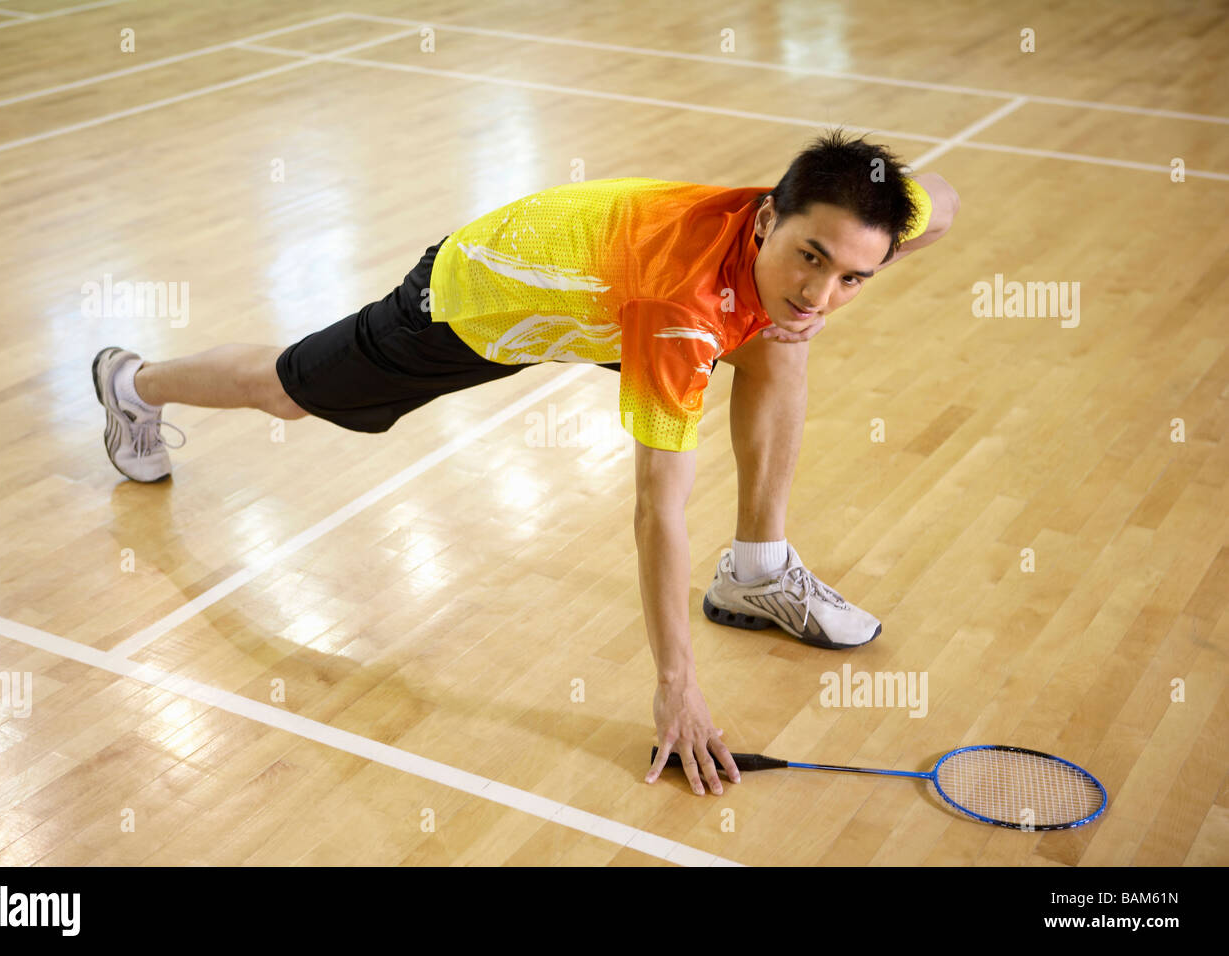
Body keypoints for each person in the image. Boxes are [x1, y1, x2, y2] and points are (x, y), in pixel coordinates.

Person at [91, 129, 959, 798]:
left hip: (593, 294)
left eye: (854, 278)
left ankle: (756, 572)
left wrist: (874, 250)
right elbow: (658, 506)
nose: (821, 293)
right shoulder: (680, 312)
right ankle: (134, 382)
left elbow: (943, 199)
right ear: (766, 217)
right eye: (810, 257)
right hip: (472, 301)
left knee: (781, 337)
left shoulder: (834, 231)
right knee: (289, 390)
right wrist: (676, 687)